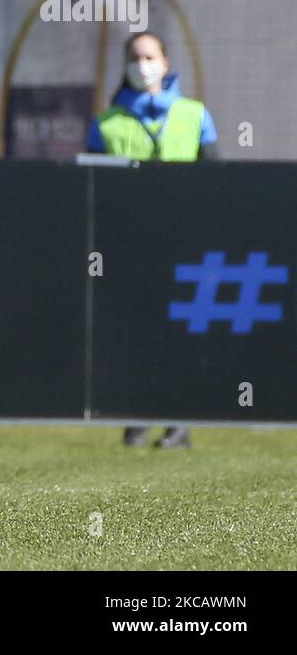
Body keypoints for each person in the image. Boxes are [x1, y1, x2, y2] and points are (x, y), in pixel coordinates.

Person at [87, 31, 218, 449]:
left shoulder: (195, 115)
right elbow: (90, 188)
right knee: (133, 332)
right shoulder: (106, 123)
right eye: (135, 57)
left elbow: (217, 180)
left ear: (165, 62)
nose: (142, 65)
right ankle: (137, 417)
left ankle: (178, 422)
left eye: (150, 56)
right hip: (128, 245)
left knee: (181, 334)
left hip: (185, 242)